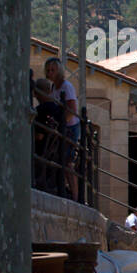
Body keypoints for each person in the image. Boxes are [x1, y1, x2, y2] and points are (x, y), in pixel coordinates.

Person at [44, 56, 80, 200]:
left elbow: (72, 109)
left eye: (53, 70)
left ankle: (76, 196)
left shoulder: (66, 86)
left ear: (59, 71)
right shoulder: (53, 88)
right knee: (60, 159)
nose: (50, 73)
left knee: (68, 162)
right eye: (48, 70)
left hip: (70, 127)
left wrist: (61, 123)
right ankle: (64, 189)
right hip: (62, 127)